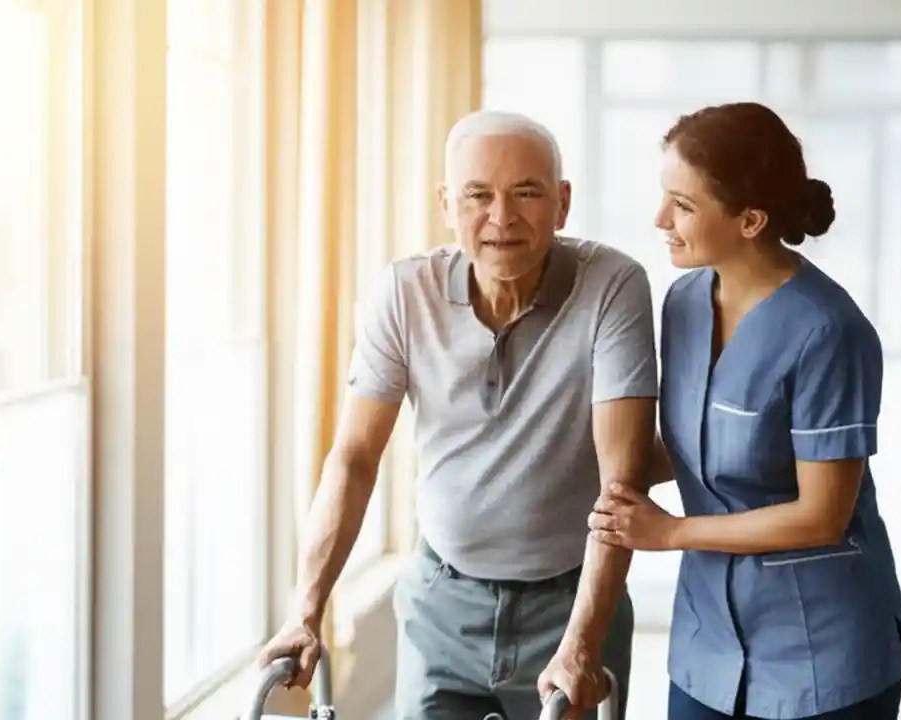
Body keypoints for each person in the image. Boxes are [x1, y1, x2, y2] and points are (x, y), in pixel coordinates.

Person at [257, 109, 659, 720]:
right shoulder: (404, 292)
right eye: (479, 195)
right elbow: (355, 459)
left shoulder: (612, 286)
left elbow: (620, 486)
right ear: (448, 203)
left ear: (562, 202)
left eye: (527, 193)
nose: (501, 218)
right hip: (441, 603)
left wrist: (583, 641)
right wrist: (305, 611)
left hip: (570, 603)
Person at [588, 102, 901, 720]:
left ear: (750, 220)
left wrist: (670, 532)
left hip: (822, 655)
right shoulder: (682, 304)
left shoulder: (828, 332)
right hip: (707, 646)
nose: (660, 219)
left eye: (682, 205)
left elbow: (823, 514)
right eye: (664, 196)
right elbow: (697, 444)